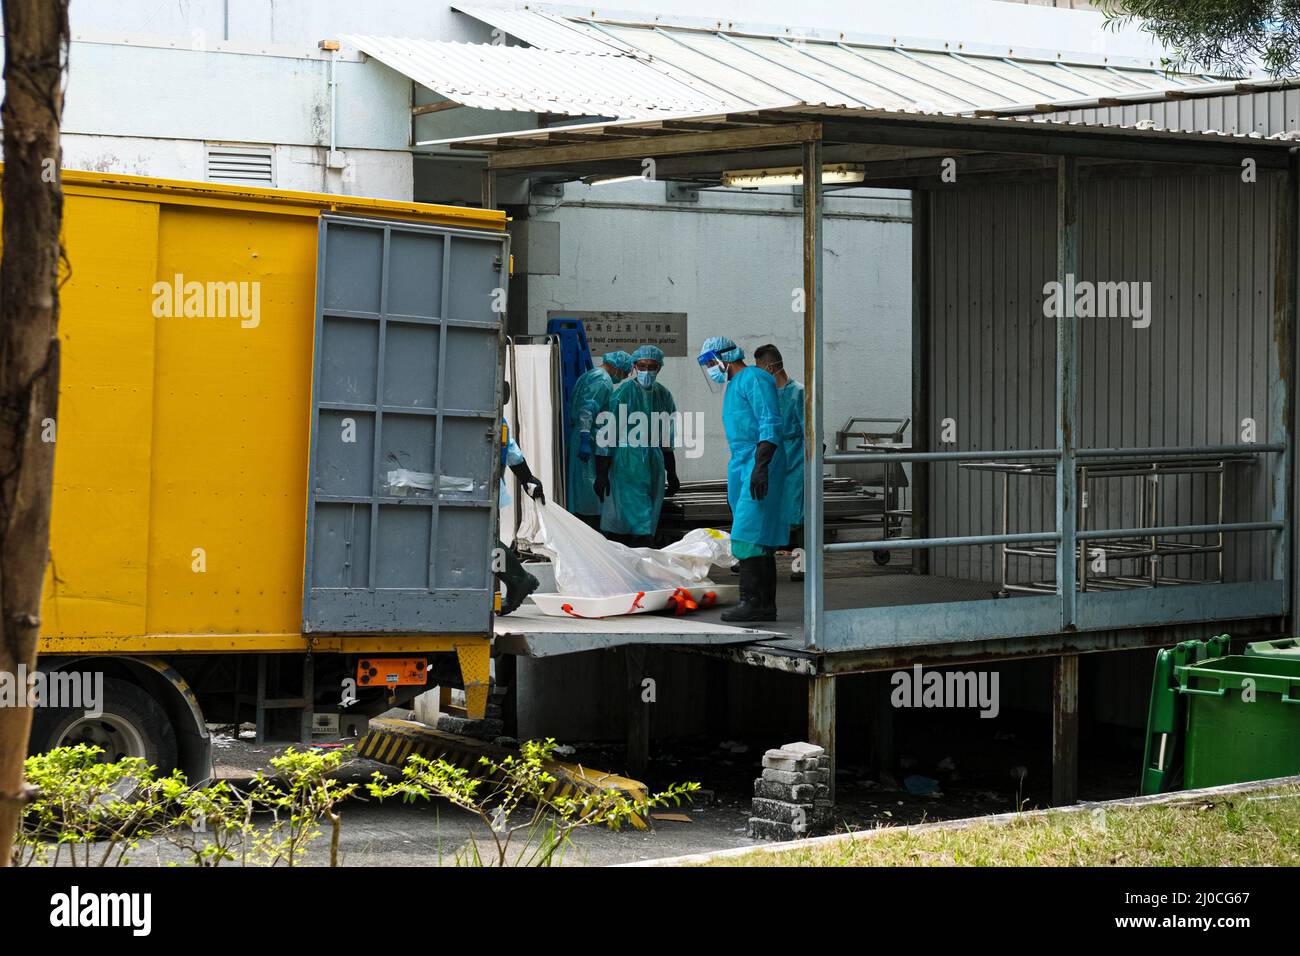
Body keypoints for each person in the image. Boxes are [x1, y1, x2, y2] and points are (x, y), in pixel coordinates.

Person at [698, 336, 786, 622]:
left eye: (712, 362)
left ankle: (752, 602)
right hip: (743, 463)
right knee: (756, 535)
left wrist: (761, 466)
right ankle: (764, 605)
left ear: (726, 356)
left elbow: (769, 422)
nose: (711, 369)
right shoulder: (735, 385)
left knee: (748, 533)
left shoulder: (754, 378)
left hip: (758, 461)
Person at [594, 344, 679, 548]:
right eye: (642, 366)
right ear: (634, 366)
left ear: (659, 368)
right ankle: (637, 561)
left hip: (654, 464)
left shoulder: (664, 396)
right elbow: (607, 435)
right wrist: (602, 473)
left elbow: (667, 439)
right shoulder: (623, 393)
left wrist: (672, 473)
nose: (646, 371)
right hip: (627, 464)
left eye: (652, 367)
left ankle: (638, 560)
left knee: (647, 517)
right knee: (636, 519)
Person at [754, 343, 806, 582]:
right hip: (773, 460)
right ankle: (756, 560)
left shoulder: (799, 393)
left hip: (795, 460)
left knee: (798, 516)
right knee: (767, 511)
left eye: (761, 370)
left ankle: (802, 565)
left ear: (772, 367)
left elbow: (810, 431)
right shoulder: (768, 395)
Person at [496, 379, 546, 615]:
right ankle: (512, 581)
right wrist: (529, 480)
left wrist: (529, 481)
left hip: (475, 489)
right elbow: (514, 455)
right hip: (483, 490)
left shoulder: (489, 419)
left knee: (484, 545)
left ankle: (518, 578)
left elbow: (512, 453)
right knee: (486, 543)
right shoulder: (497, 420)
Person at [566, 350, 632, 531]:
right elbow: (588, 408)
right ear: (616, 366)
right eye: (625, 372)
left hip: (582, 437)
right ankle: (589, 536)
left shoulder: (590, 375)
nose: (624, 377)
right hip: (586, 439)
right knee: (590, 492)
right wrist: (586, 436)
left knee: (581, 489)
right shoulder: (603, 381)